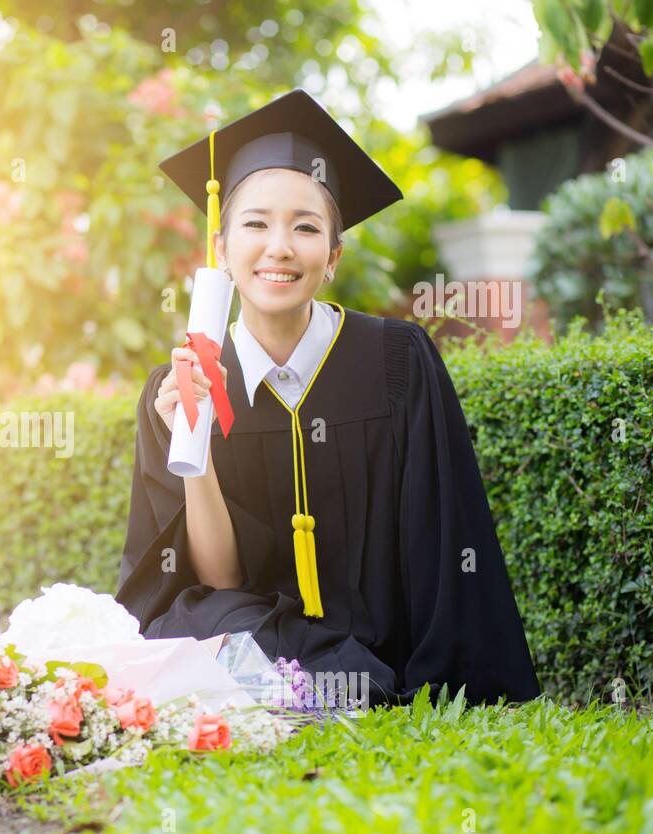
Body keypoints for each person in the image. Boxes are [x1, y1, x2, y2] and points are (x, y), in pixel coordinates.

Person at [115, 89, 541, 708]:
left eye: (306, 227)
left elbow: (438, 535)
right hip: (252, 629)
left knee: (335, 669)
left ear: (334, 257)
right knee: (193, 623)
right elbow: (218, 582)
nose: (279, 247)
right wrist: (197, 446)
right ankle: (311, 681)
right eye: (255, 224)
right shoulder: (180, 387)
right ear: (223, 249)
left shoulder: (396, 359)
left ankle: (329, 681)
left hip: (382, 642)